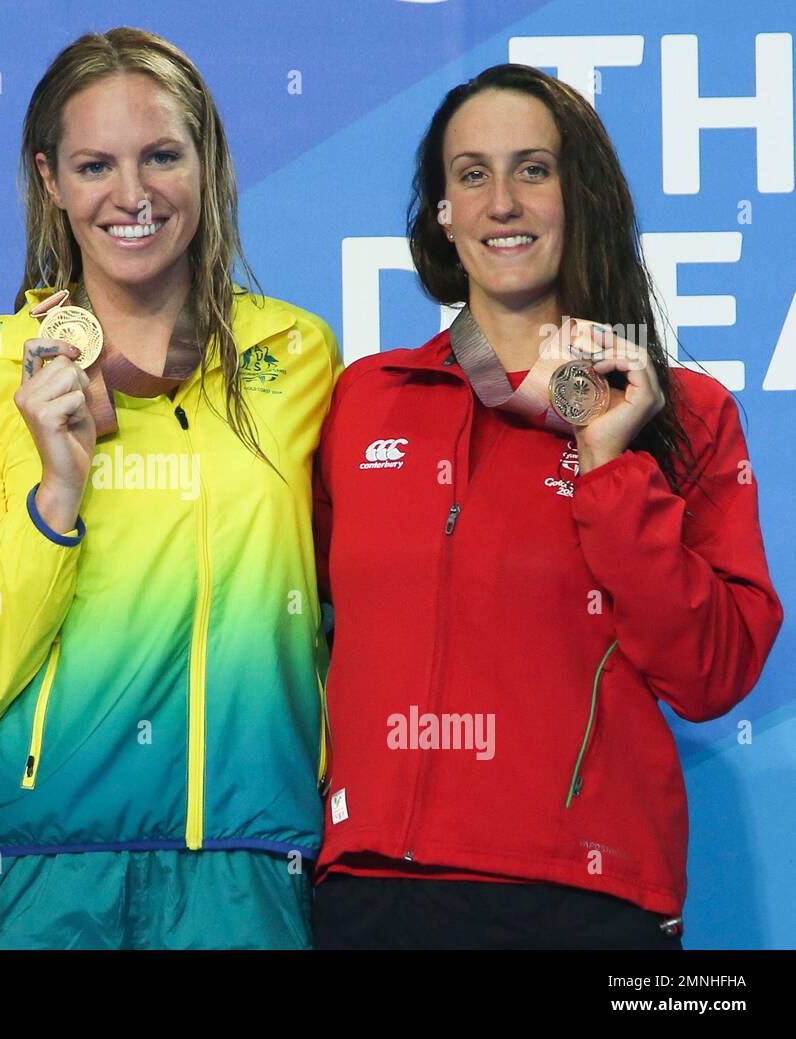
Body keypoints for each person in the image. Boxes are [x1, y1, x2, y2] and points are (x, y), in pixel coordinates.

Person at [311, 64, 783, 950]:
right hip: (373, 889)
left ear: (581, 196)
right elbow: (299, 624)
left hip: (588, 898)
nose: (503, 203)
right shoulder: (367, 400)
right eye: (472, 174)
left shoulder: (682, 414)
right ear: (441, 214)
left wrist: (609, 464)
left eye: (534, 169)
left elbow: (713, 670)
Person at [0, 27, 341, 949]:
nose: (133, 196)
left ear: (207, 163)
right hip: (39, 871)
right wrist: (55, 493)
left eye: (161, 157)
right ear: (48, 180)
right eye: (95, 164)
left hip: (250, 858)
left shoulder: (296, 357)